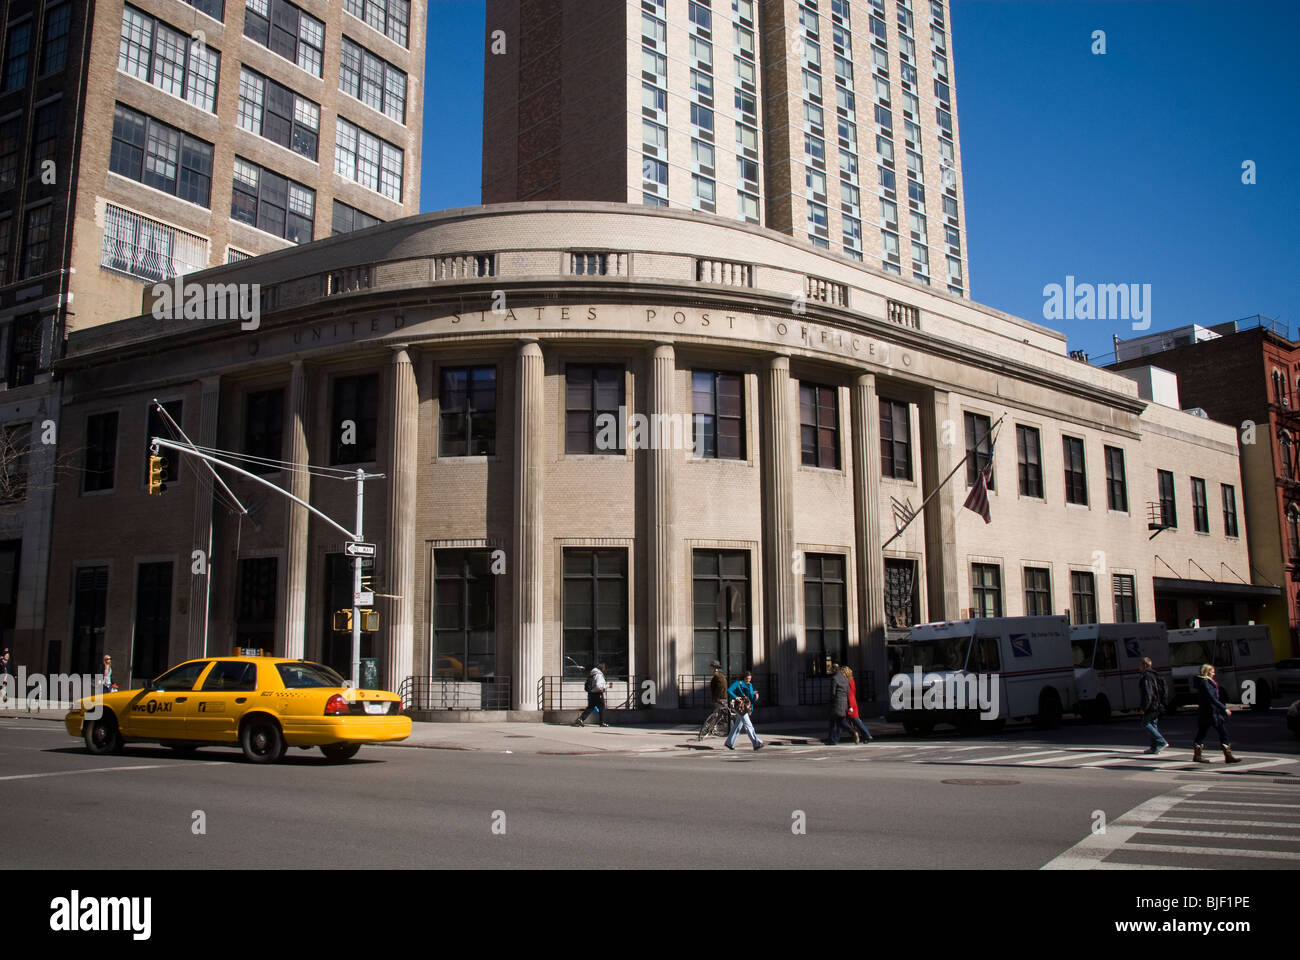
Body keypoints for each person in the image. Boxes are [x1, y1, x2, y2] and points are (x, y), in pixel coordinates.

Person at [1192, 664, 1240, 764]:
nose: (1214, 673)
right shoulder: (1205, 683)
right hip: (1211, 712)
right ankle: (1228, 756)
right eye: (1212, 671)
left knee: (1203, 733)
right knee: (1222, 733)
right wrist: (1224, 708)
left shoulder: (1205, 682)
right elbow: (1212, 698)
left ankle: (1198, 755)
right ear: (1207, 672)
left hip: (1207, 712)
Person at [724, 670, 764, 751]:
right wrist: (736, 697)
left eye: (749, 679)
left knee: (738, 726)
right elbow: (729, 690)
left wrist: (756, 697)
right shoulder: (738, 683)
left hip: (745, 707)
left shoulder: (750, 685)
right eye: (747, 679)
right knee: (748, 725)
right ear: (743, 678)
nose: (748, 681)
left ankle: (729, 742)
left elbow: (751, 698)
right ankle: (756, 743)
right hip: (740, 707)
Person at [1137, 657, 1167, 755]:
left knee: (1145, 723)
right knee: (1153, 724)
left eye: (1140, 665)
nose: (1139, 667)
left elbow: (1148, 693)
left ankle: (1161, 741)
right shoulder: (1155, 674)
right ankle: (1154, 747)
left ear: (1144, 665)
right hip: (1158, 703)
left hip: (1151, 704)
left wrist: (1143, 708)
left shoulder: (1146, 676)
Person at [574, 662, 610, 727]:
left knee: (590, 708)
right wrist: (607, 686)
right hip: (598, 693)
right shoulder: (599, 675)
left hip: (592, 693)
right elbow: (599, 686)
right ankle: (602, 722)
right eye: (604, 668)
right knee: (601, 708)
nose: (604, 669)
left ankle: (581, 719)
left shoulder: (593, 674)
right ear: (602, 668)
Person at [843, 666, 873, 744]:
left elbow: (848, 693)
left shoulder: (846, 681)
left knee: (855, 720)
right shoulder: (852, 680)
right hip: (853, 700)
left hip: (850, 702)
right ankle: (862, 736)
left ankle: (866, 735)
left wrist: (849, 706)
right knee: (854, 720)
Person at [827, 663, 851, 744]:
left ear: (834, 669)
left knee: (834, 722)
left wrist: (831, 700)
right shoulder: (845, 679)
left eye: (832, 669)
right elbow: (848, 692)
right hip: (844, 703)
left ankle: (852, 732)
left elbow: (833, 692)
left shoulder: (834, 678)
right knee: (839, 721)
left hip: (836, 703)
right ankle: (833, 739)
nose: (831, 671)